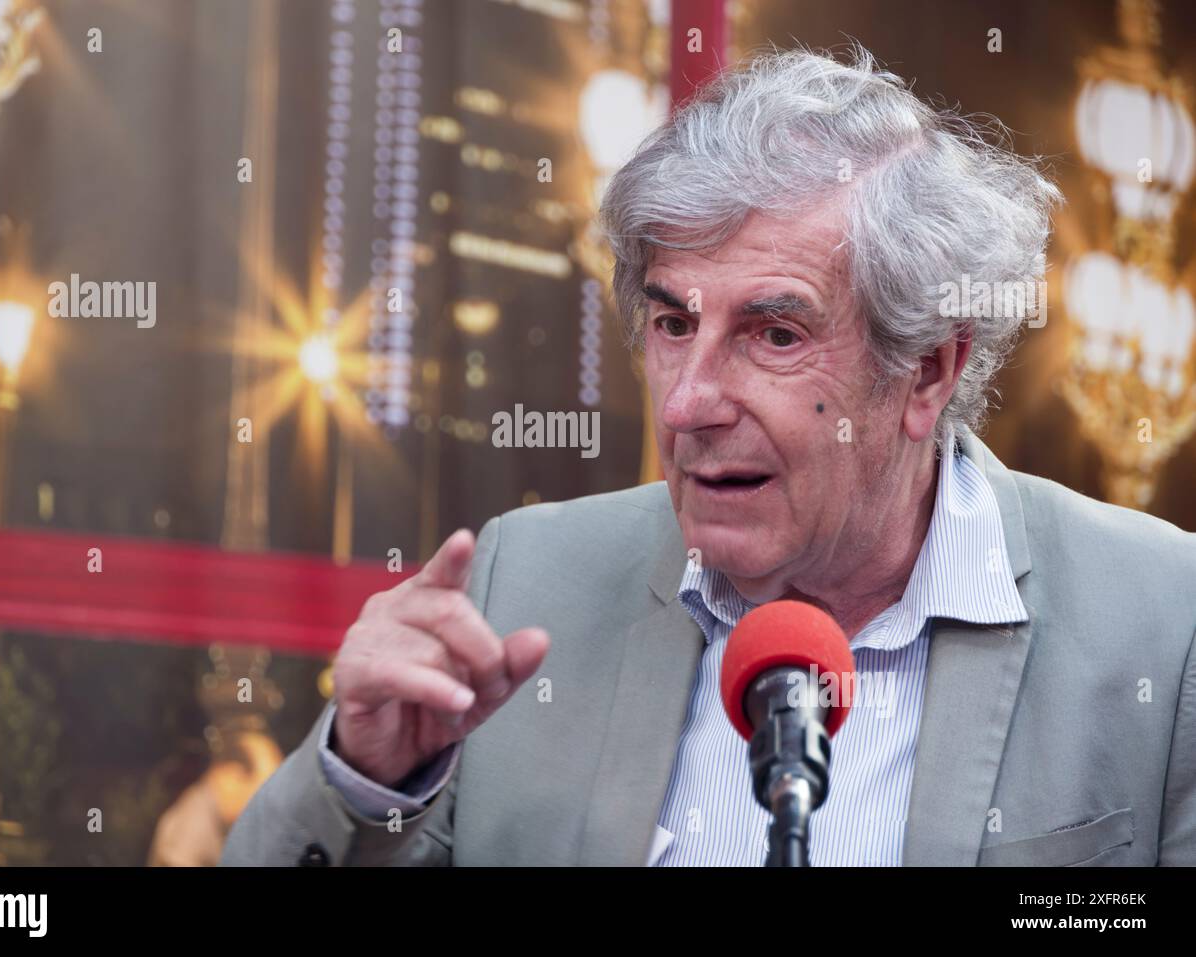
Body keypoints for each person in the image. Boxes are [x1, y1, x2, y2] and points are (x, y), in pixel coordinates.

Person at [221, 46, 1196, 867]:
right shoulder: (521, 584)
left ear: (929, 371)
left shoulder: (1163, 624)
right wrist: (365, 775)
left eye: (774, 335)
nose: (686, 401)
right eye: (670, 320)